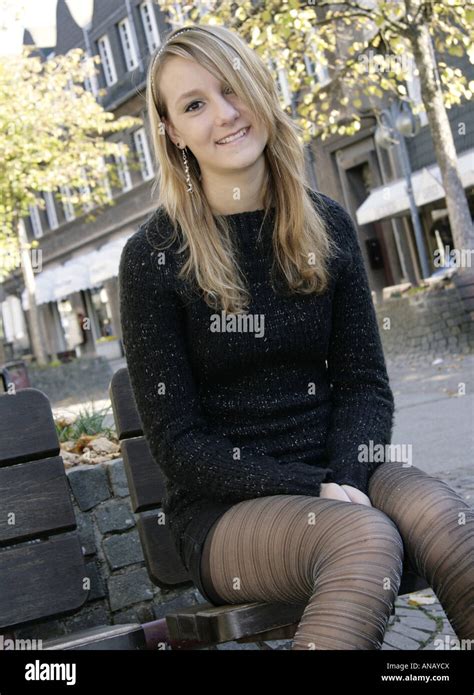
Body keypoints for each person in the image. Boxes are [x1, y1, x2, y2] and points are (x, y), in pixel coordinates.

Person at [118, 24, 474, 649]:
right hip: (226, 513)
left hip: (336, 470)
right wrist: (314, 490)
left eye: (233, 90)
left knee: (447, 522)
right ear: (172, 131)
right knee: (362, 538)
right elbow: (180, 445)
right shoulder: (154, 256)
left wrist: (342, 475)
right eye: (195, 104)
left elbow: (364, 385)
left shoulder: (326, 224)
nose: (225, 116)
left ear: (261, 90)